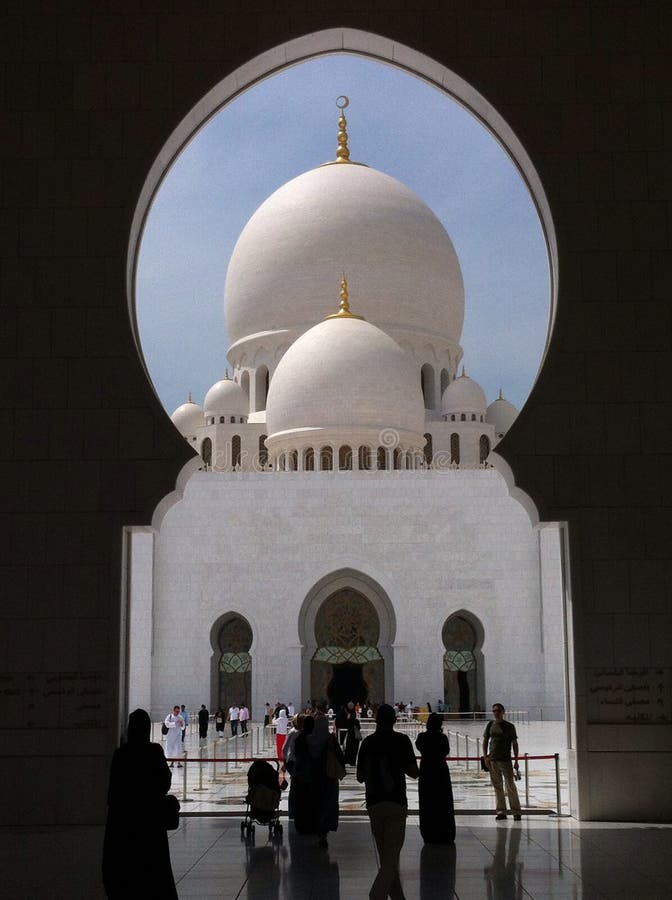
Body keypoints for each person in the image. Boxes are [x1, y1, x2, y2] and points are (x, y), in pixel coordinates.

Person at [102, 709, 178, 899]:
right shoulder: (154, 752)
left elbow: (113, 794)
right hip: (150, 828)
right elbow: (165, 782)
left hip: (124, 828)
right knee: (154, 879)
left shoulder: (121, 755)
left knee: (127, 880)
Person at [357, 703, 419, 900]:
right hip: (396, 802)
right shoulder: (402, 741)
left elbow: (359, 776)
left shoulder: (367, 743)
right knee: (391, 859)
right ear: (394, 720)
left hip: (374, 803)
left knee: (387, 857)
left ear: (375, 720)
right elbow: (413, 772)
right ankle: (376, 896)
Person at [415, 712, 455, 843]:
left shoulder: (422, 737)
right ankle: (445, 832)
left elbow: (419, 747)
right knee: (443, 801)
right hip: (440, 771)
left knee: (427, 801)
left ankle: (429, 833)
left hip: (427, 771)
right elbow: (446, 751)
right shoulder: (442, 738)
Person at [482, 702, 522, 821]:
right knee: (497, 786)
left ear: (503, 712)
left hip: (506, 760)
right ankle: (501, 811)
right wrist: (485, 757)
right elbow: (485, 741)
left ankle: (516, 811)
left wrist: (516, 760)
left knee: (510, 785)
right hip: (493, 760)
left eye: (498, 711)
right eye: (494, 711)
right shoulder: (490, 725)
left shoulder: (510, 727)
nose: (496, 713)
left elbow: (514, 744)